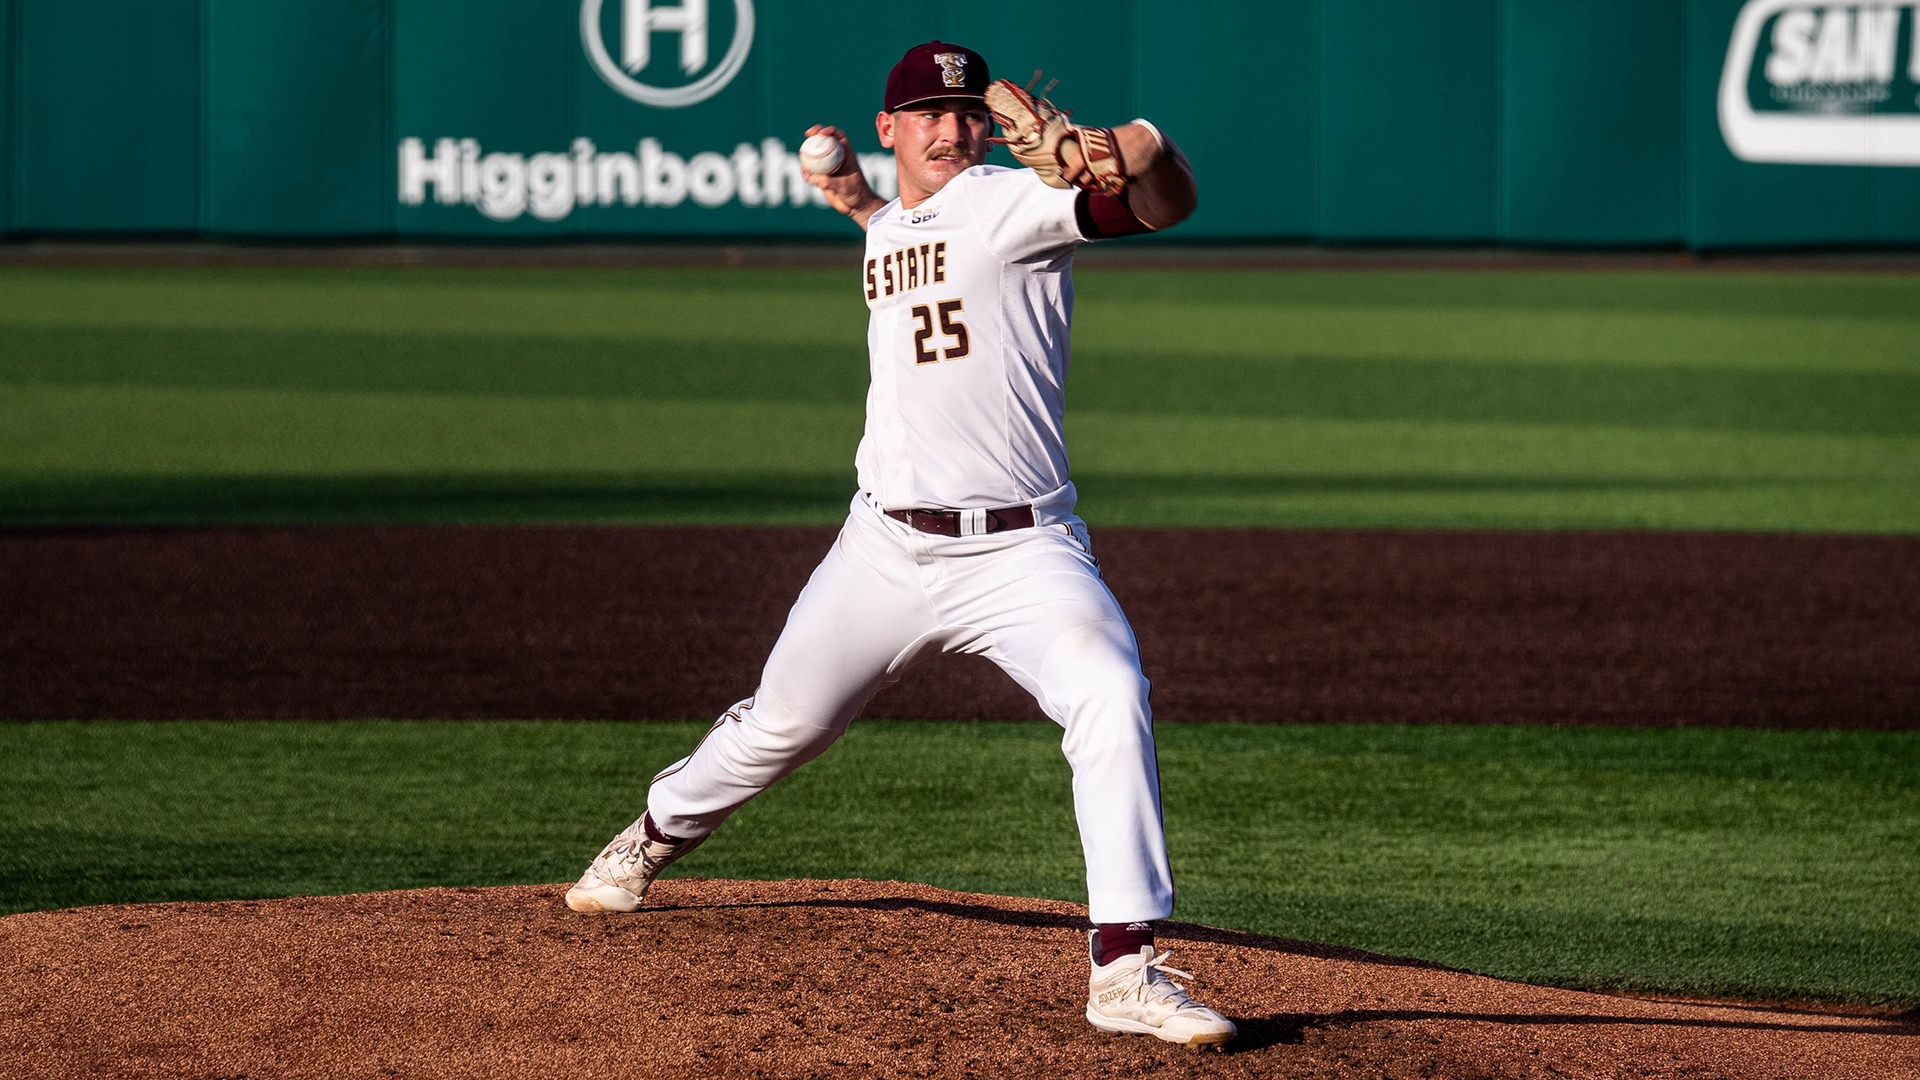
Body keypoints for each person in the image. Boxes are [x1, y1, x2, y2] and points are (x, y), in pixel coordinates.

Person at [565, 40, 1232, 1048]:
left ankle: (1124, 968)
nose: (951, 128)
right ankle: (651, 837)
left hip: (1021, 553)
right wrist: (846, 191)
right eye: (926, 111)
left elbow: (1163, 204)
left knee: (1107, 691)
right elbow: (888, 225)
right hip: (882, 550)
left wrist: (1139, 141)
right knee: (782, 726)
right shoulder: (888, 227)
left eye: (965, 113)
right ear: (891, 128)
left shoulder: (1013, 201)